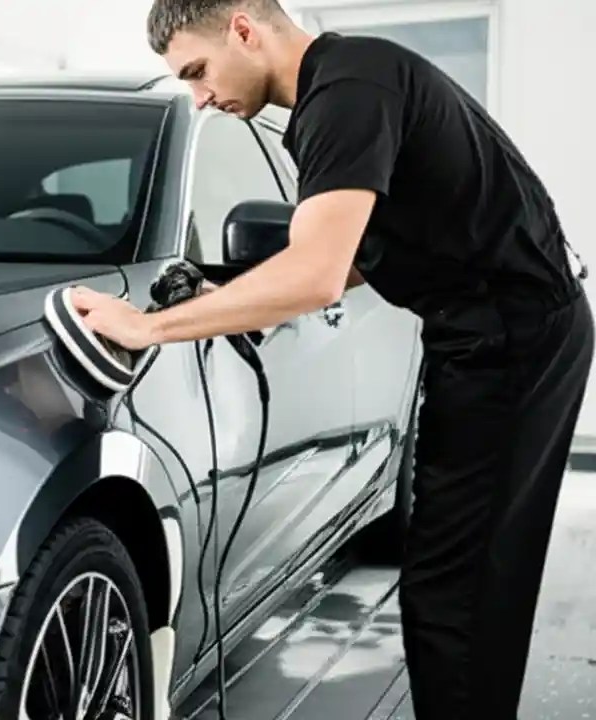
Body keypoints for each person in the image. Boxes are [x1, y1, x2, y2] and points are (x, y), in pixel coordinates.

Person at [70, 1, 594, 717]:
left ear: (244, 30)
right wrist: (227, 289)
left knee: (459, 591)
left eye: (196, 70)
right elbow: (350, 256)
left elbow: (316, 274)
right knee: (459, 584)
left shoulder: (347, 95)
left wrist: (151, 326)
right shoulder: (344, 86)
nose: (201, 97)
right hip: (496, 331)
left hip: (511, 340)